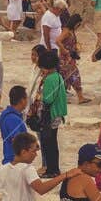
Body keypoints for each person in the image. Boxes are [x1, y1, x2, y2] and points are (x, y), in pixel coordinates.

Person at [32, 47, 68, 177]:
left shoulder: (49, 79)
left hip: (49, 116)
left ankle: (52, 170)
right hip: (57, 114)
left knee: (48, 144)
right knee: (52, 143)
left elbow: (48, 99)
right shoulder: (57, 76)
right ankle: (54, 169)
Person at [0, 85, 29, 164]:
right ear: (22, 100)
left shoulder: (5, 114)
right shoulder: (13, 119)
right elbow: (17, 141)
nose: (27, 101)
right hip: (15, 161)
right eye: (26, 98)